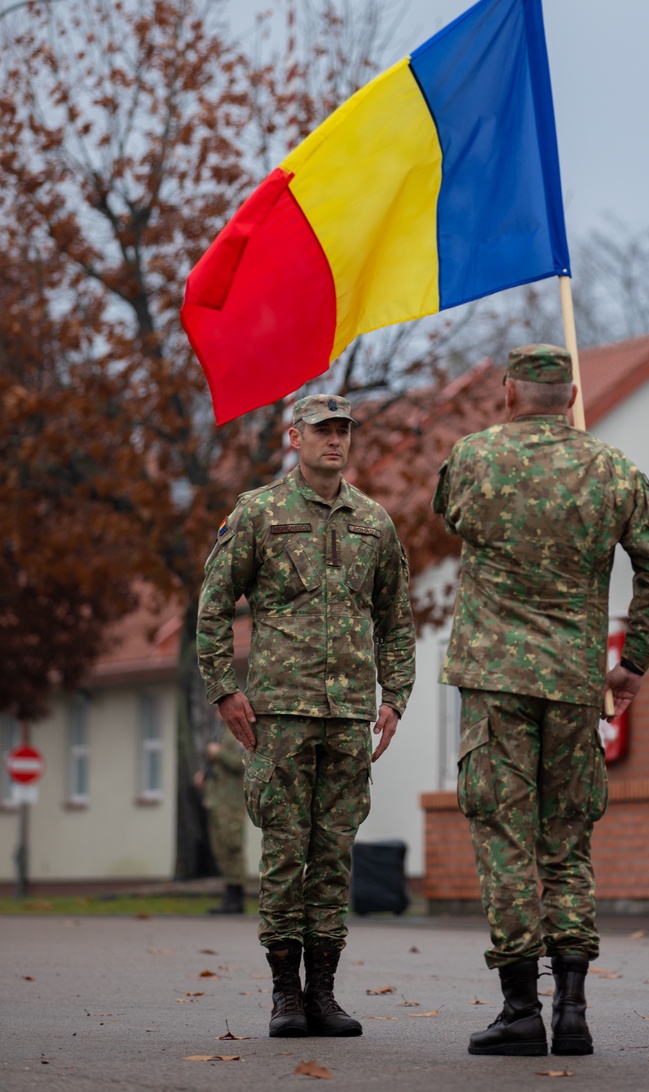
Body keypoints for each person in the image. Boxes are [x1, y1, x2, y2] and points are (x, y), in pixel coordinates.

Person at [434, 343, 649, 1058]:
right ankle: (572, 1008)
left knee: (506, 839)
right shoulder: (613, 470)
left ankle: (520, 1009)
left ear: (510, 393)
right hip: (576, 682)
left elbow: (448, 514)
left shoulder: (475, 458)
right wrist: (632, 662)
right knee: (568, 840)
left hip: (495, 683)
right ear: (572, 395)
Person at [197, 394, 415, 1039]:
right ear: (294, 437)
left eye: (343, 431)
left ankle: (324, 993)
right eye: (323, 430)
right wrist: (223, 690)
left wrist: (395, 695)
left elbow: (396, 620)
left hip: (347, 717)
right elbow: (213, 607)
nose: (335, 441)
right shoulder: (259, 513)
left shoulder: (374, 522)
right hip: (280, 714)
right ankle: (284, 996)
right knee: (286, 854)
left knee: (334, 855)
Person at [194, 726, 247, 913]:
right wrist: (205, 777)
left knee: (232, 846)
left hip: (231, 803)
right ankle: (229, 895)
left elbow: (241, 762)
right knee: (220, 849)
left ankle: (236, 897)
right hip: (216, 800)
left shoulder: (237, 732)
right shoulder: (219, 731)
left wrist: (219, 753)